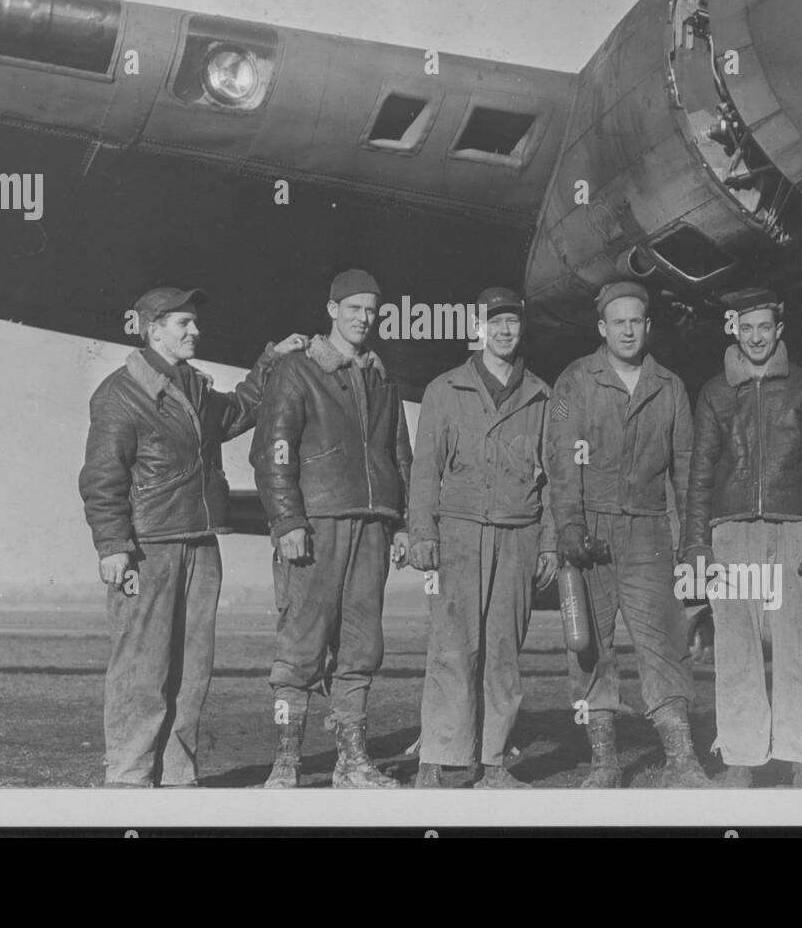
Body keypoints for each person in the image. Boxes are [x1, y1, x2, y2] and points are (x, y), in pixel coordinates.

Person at [79, 286, 305, 787]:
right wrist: (113, 545)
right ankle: (129, 775)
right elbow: (102, 479)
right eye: (183, 324)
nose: (195, 331)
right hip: (148, 548)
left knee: (191, 670)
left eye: (194, 323)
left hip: (201, 542)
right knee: (142, 665)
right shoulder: (118, 394)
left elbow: (238, 411)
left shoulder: (195, 389)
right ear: (152, 329)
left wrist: (270, 360)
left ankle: (178, 775)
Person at [251, 269, 412, 788]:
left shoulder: (381, 376)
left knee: (362, 646)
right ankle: (286, 764)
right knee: (300, 646)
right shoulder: (296, 371)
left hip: (373, 524)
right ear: (332, 309)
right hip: (315, 526)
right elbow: (272, 452)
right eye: (354, 308)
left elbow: (398, 455)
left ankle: (353, 763)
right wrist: (287, 520)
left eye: (372, 310)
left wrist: (404, 521)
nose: (364, 318)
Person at [545, 281, 710, 788]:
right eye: (618, 322)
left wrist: (692, 543)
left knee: (664, 642)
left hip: (647, 530)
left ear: (648, 326)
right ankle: (604, 764)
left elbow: (686, 472)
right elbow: (560, 458)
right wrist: (568, 525)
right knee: (590, 647)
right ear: (602, 328)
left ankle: (683, 760)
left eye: (636, 321)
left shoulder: (670, 386)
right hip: (589, 531)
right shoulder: (575, 382)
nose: (627, 330)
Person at [681, 289, 802, 788]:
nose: (755, 337)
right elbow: (700, 473)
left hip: (794, 529)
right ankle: (741, 759)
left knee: (800, 645)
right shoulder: (713, 392)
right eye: (746, 328)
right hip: (730, 535)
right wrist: (697, 546)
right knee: (736, 647)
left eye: (764, 328)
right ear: (735, 331)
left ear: (779, 331)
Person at [406, 288, 558, 789]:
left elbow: (554, 478)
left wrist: (551, 543)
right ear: (478, 328)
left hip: (518, 533)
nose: (504, 331)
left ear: (522, 328)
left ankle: (493, 762)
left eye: (512, 322)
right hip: (460, 533)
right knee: (451, 646)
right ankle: (439, 756)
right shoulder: (444, 389)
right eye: (495, 322)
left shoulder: (541, 394)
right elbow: (424, 469)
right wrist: (422, 532)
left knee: (503, 652)